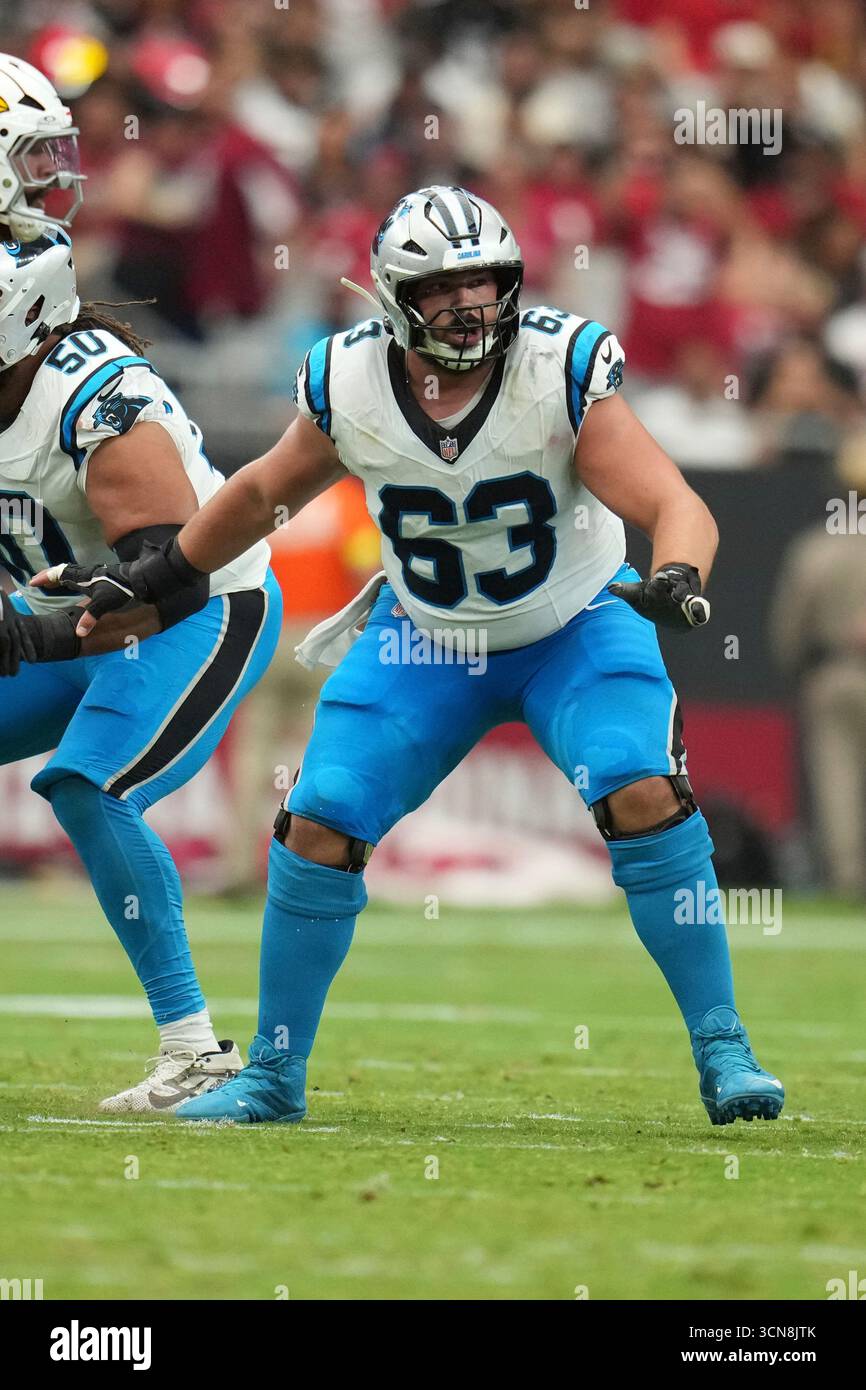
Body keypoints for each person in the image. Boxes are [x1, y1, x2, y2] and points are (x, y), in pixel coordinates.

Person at [36, 185, 785, 1127]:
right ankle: (272, 1075)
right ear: (394, 298)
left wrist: (677, 573)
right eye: (446, 290)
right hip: (426, 636)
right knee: (319, 817)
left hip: (574, 624)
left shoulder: (556, 365)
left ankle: (725, 1048)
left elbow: (677, 503)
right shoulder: (348, 383)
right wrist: (161, 573)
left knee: (641, 785)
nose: (472, 309)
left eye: (487, 285)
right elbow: (266, 489)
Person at [0, 230, 282, 1111]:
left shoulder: (97, 396)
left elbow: (167, 577)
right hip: (61, 611)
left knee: (92, 785)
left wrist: (28, 640)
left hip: (192, 608)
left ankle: (194, 1049)